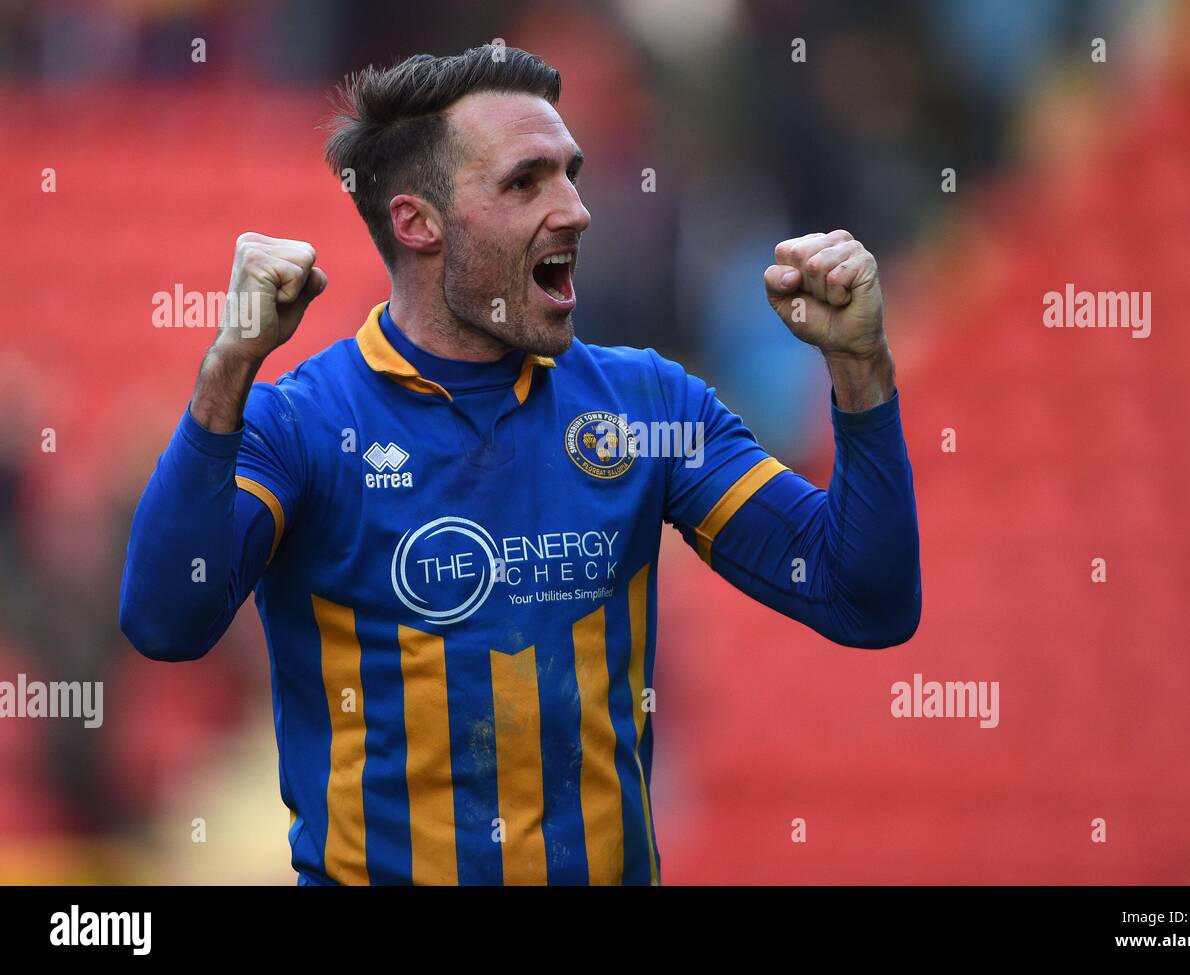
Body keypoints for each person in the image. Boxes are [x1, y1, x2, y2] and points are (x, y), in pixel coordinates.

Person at [119, 45, 921, 886]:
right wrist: (227, 370)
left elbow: (865, 599)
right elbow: (165, 622)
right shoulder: (303, 424)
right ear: (417, 221)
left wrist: (859, 369)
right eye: (525, 182)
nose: (576, 209)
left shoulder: (648, 409)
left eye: (571, 174)